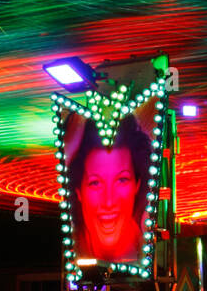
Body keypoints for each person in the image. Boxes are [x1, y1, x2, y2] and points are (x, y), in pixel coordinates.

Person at [64, 113, 150, 263]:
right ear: (78, 191)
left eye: (122, 180)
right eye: (95, 183)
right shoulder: (72, 252)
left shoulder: (152, 256)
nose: (109, 202)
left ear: (137, 184)